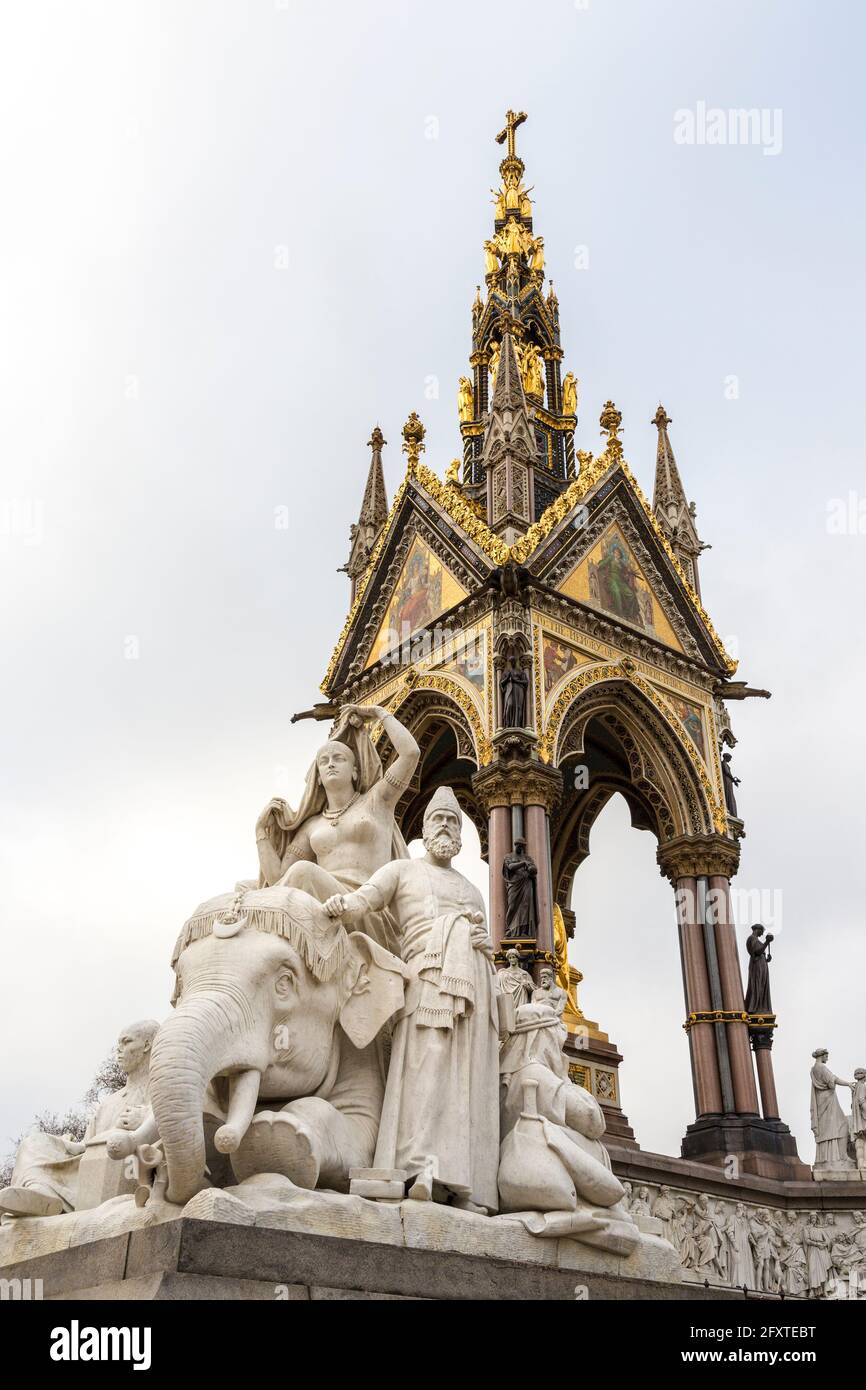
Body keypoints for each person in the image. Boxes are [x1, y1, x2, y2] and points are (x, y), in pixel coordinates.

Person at [325, 786, 500, 1212]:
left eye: (453, 821)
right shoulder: (402, 870)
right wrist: (337, 905)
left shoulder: (472, 890)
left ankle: (460, 1181)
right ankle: (418, 1167)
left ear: (460, 834)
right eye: (438, 819)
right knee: (426, 1070)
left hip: (470, 986)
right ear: (423, 828)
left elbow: (485, 939)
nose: (445, 825)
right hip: (425, 978)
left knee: (464, 1082)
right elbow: (365, 899)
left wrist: (484, 942)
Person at [255, 704, 419, 954]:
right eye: (324, 761)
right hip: (325, 907)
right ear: (318, 777)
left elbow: (410, 754)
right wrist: (261, 833)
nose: (331, 764)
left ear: (355, 771)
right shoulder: (312, 827)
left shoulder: (377, 801)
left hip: (366, 907)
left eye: (339, 758)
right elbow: (279, 880)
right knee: (250, 887)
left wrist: (378, 713)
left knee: (303, 872)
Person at [0, 1020, 159, 1219]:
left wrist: (145, 1118)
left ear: (146, 1045)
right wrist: (65, 1145)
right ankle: (42, 1193)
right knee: (35, 1142)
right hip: (88, 1164)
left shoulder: (162, 1089)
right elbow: (85, 1145)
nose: (118, 1051)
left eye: (126, 1042)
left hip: (125, 1170)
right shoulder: (110, 1102)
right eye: (117, 1044)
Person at [810, 1048, 855, 1168]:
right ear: (822, 1055)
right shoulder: (822, 1068)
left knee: (828, 1128)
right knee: (842, 1124)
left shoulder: (813, 1069)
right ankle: (841, 1156)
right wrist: (848, 1084)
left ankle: (829, 1156)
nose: (827, 1058)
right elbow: (832, 1081)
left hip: (821, 1101)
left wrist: (846, 1084)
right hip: (828, 1101)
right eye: (826, 1056)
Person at [744, 924, 773, 1015]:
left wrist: (766, 959)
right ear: (757, 929)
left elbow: (760, 952)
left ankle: (761, 1006)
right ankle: (754, 1007)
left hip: (762, 964)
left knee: (762, 985)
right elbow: (757, 951)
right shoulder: (752, 938)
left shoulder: (756, 940)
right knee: (757, 984)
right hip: (757, 965)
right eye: (762, 931)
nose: (762, 933)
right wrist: (766, 942)